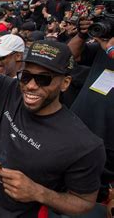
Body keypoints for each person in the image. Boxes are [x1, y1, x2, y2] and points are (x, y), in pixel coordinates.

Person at [0, 2, 106, 217]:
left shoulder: (84, 144)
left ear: (65, 83)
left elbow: (84, 202)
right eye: (27, 75)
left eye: (44, 79)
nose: (31, 85)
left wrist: (39, 192)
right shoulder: (9, 90)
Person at [68, 17, 114, 204]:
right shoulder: (104, 46)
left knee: (92, 197)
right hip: (79, 129)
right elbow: (71, 55)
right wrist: (81, 33)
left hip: (108, 144)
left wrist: (111, 50)